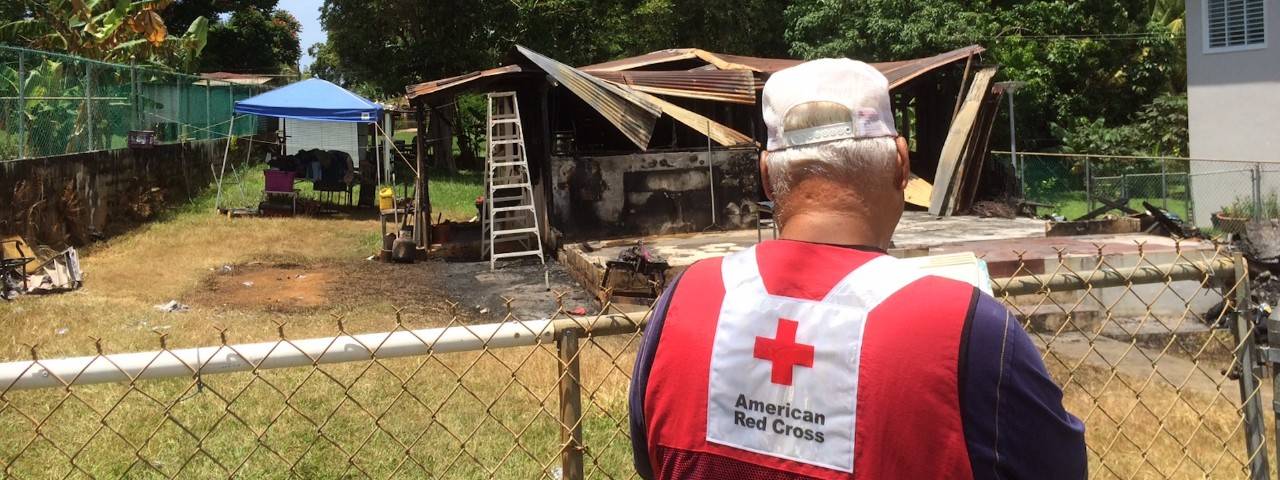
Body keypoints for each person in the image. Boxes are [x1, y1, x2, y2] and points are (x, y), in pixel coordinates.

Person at [628, 59, 1086, 479]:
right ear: (901, 164)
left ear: (766, 175)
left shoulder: (685, 299)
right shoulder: (969, 329)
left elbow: (650, 460)